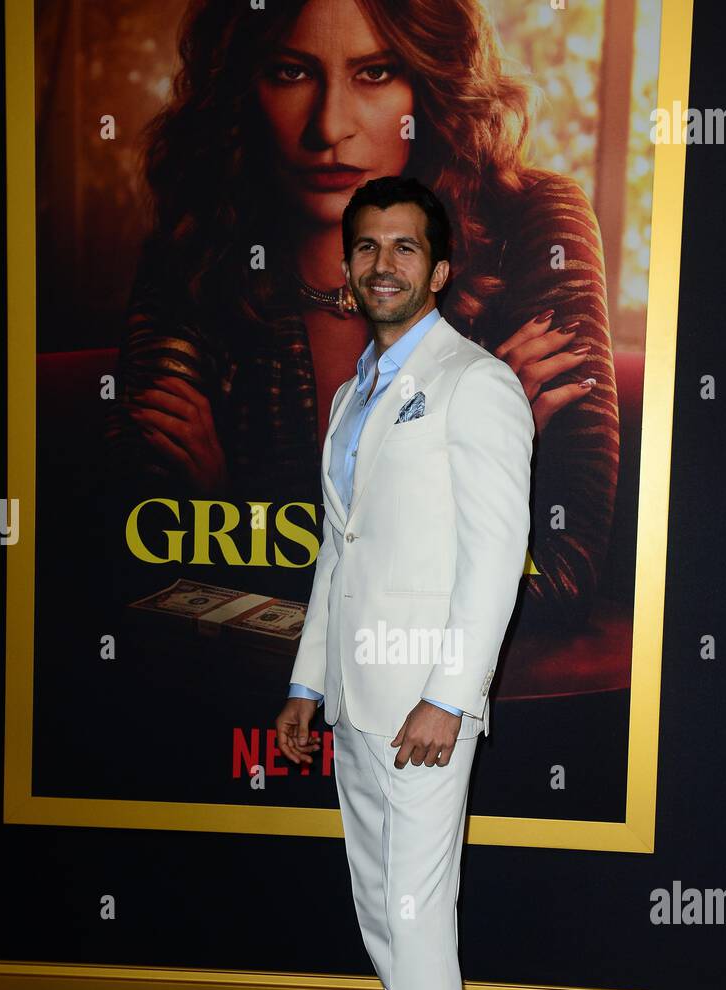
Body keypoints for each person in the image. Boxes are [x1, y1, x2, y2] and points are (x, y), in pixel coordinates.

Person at [104, 0, 618, 635]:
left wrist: (231, 513)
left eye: (375, 73)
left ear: (431, 83)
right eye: (290, 72)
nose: (330, 126)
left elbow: (559, 581)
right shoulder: (195, 245)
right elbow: (140, 562)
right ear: (241, 85)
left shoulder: (537, 223)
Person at [274, 175, 534, 990]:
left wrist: (448, 696)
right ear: (348, 263)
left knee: (421, 926)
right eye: (365, 246)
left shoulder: (475, 384)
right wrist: (306, 683)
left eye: (403, 247)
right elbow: (343, 550)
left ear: (438, 267)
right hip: (358, 703)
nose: (382, 263)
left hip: (426, 709)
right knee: (385, 919)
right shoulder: (351, 394)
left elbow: (494, 561)